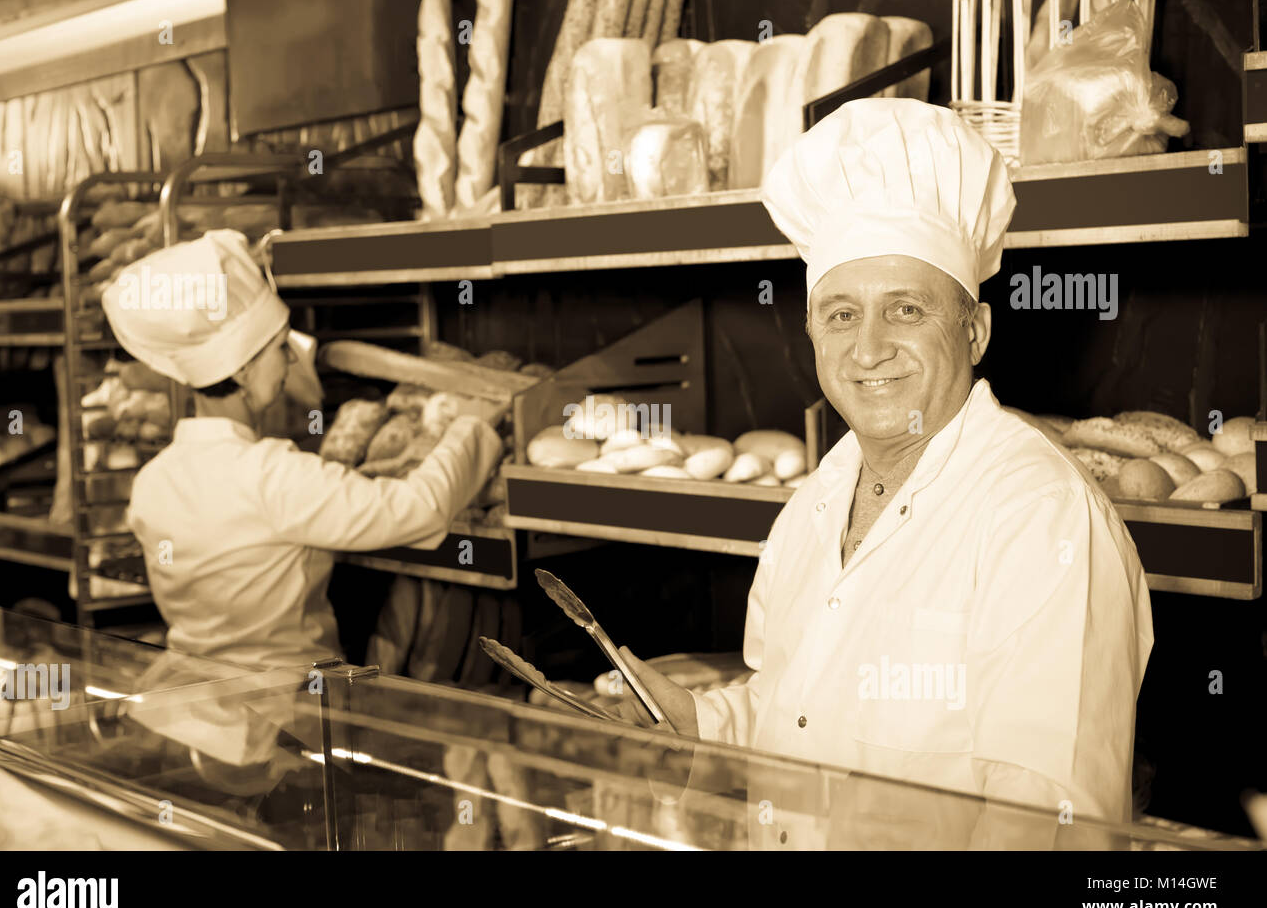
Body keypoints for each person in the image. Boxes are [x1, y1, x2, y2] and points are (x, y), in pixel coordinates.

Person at [616, 99, 1153, 833]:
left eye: (905, 310)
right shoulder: (816, 501)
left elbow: (1049, 829)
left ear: (975, 330)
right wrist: (704, 726)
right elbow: (799, 713)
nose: (867, 349)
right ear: (811, 333)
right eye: (840, 314)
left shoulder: (1041, 521)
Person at [101, 229, 504, 673]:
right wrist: (473, 424)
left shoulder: (152, 482)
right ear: (243, 368)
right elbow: (416, 510)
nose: (291, 362)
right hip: (281, 714)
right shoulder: (271, 475)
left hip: (190, 700)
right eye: (281, 349)